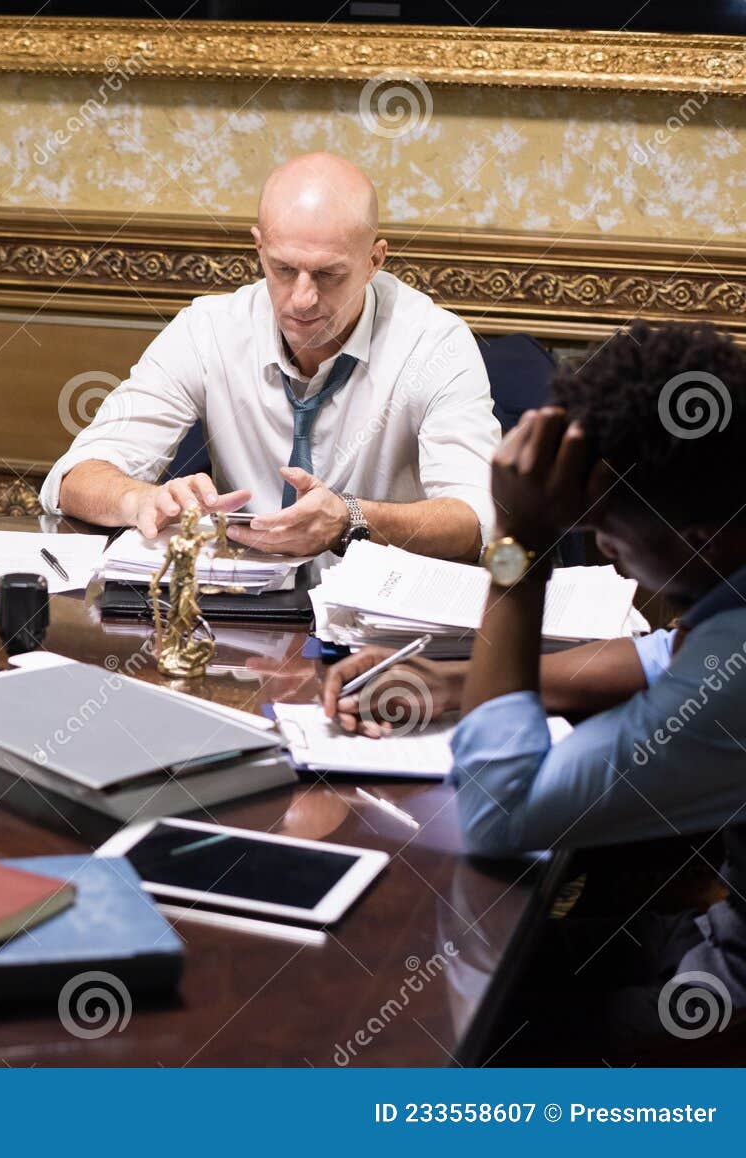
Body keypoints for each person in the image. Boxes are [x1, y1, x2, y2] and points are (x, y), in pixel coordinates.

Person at [323, 321, 745, 1045]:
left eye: (607, 532)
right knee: (500, 955)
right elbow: (662, 659)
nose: (608, 557)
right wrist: (462, 677)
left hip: (726, 1007)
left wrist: (522, 551)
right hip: (721, 931)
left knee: (430, 1023)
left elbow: (499, 812)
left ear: (700, 537)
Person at [41, 152, 500, 561]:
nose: (302, 299)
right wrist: (139, 500)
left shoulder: (434, 343)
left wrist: (351, 519)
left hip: (380, 627)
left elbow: (478, 519)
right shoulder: (209, 330)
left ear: (375, 260)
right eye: (283, 269)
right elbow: (73, 478)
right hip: (235, 619)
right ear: (259, 247)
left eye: (329, 275)